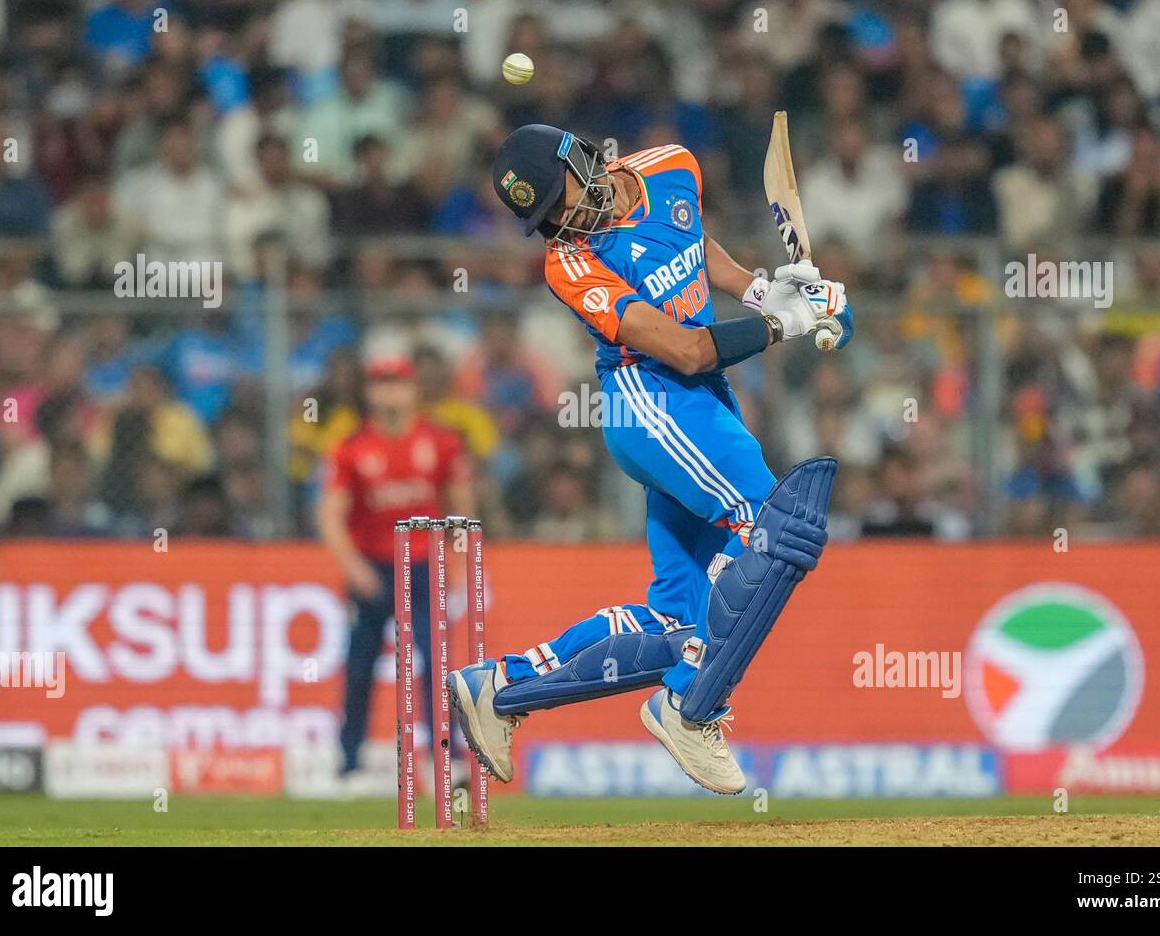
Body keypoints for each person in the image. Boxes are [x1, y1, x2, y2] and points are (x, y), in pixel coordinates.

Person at [447, 125, 853, 794]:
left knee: (681, 622)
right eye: (542, 214)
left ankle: (499, 689)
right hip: (650, 399)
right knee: (780, 530)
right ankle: (691, 707)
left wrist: (759, 293)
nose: (558, 217)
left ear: (582, 158)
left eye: (559, 196)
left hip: (703, 403)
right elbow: (687, 350)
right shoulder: (567, 263)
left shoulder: (672, 165)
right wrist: (788, 324)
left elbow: (692, 243)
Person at [317, 356, 471, 778]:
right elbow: (330, 513)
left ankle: (446, 759)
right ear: (369, 393)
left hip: (423, 566)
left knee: (435, 663)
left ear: (413, 390)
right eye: (380, 384)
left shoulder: (440, 442)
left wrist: (456, 563)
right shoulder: (352, 447)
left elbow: (462, 507)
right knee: (359, 664)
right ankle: (348, 763)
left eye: (396, 384)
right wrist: (353, 567)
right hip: (373, 569)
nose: (389, 393)